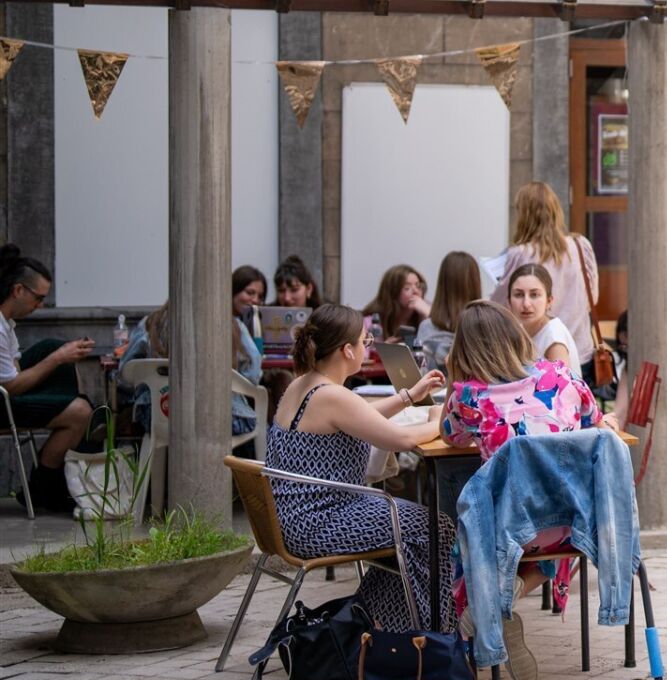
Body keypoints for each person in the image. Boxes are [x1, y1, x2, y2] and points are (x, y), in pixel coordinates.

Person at [441, 300, 605, 680]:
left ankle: (484, 608)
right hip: (571, 527)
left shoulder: (470, 396)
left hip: (509, 533)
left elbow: (450, 435)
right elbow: (592, 423)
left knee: (465, 529)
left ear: (464, 351)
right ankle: (508, 596)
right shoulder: (563, 377)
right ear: (516, 335)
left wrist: (450, 388)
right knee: (553, 507)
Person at [267, 303, 450, 629]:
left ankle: (387, 623)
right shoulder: (331, 396)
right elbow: (402, 440)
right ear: (346, 350)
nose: (367, 347)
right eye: (365, 341)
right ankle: (428, 627)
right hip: (319, 524)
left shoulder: (303, 383)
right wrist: (440, 420)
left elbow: (362, 418)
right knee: (437, 529)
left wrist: (409, 396)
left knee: (412, 534)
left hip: (296, 518)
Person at [0, 246, 94, 513]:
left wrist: (60, 355)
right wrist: (58, 357)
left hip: (9, 392)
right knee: (80, 412)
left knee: (55, 350)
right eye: (38, 298)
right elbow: (10, 385)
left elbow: (14, 369)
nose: (40, 305)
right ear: (18, 290)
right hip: (2, 400)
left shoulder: (7, 323)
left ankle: (44, 484)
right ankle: (44, 486)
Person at [491, 182, 597, 381]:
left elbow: (498, 308)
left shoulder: (520, 253)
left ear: (523, 215)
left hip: (538, 351)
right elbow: (593, 297)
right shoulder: (581, 246)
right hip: (580, 350)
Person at [122, 301, 263, 441]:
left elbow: (126, 372)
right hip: (224, 418)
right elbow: (252, 375)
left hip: (159, 417)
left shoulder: (151, 323)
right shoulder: (233, 325)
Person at [416, 252, 483, 372]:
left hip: (434, 389)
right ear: (475, 283)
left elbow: (420, 374)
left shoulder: (426, 328)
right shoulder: (484, 327)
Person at [506, 264, 579, 369]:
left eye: (534, 295)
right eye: (519, 295)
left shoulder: (554, 339)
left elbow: (562, 384)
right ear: (509, 301)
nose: (526, 304)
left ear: (549, 301)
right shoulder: (520, 329)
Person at [362, 264, 428, 342]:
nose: (416, 292)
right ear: (393, 293)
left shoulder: (425, 315)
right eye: (407, 288)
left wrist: (428, 315)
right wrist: (384, 349)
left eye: (418, 286)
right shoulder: (371, 323)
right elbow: (363, 353)